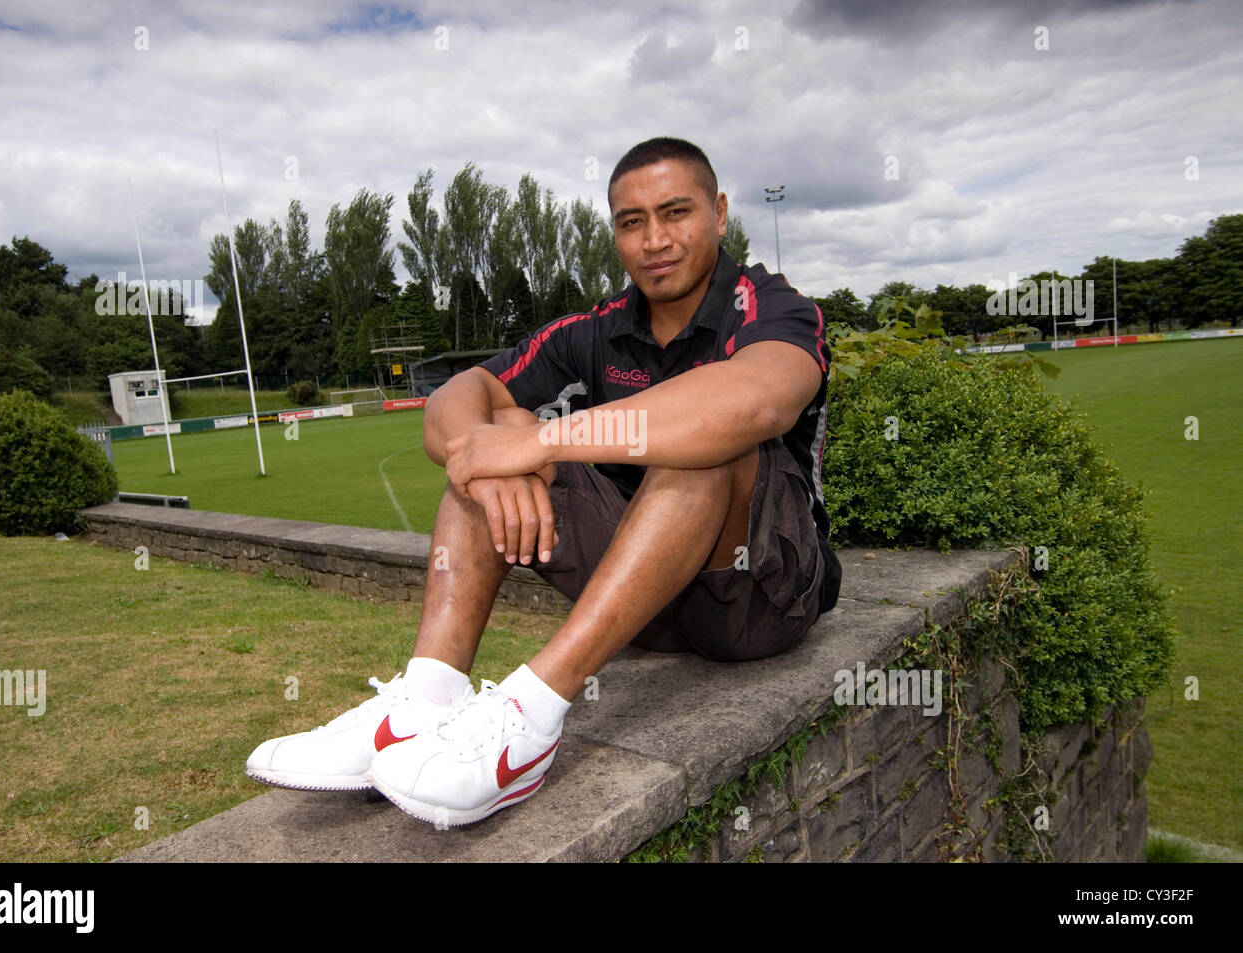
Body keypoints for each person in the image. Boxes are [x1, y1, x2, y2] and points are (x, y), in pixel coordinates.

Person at [245, 136, 842, 827]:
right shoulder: (594, 328)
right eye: (631, 221)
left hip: (761, 594)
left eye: (675, 212)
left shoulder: (771, 305)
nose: (654, 239)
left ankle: (528, 722)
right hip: (648, 599)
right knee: (485, 447)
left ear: (721, 213)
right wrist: (493, 461)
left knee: (699, 439)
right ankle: (425, 699)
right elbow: (459, 394)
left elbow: (754, 402)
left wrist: (537, 440)